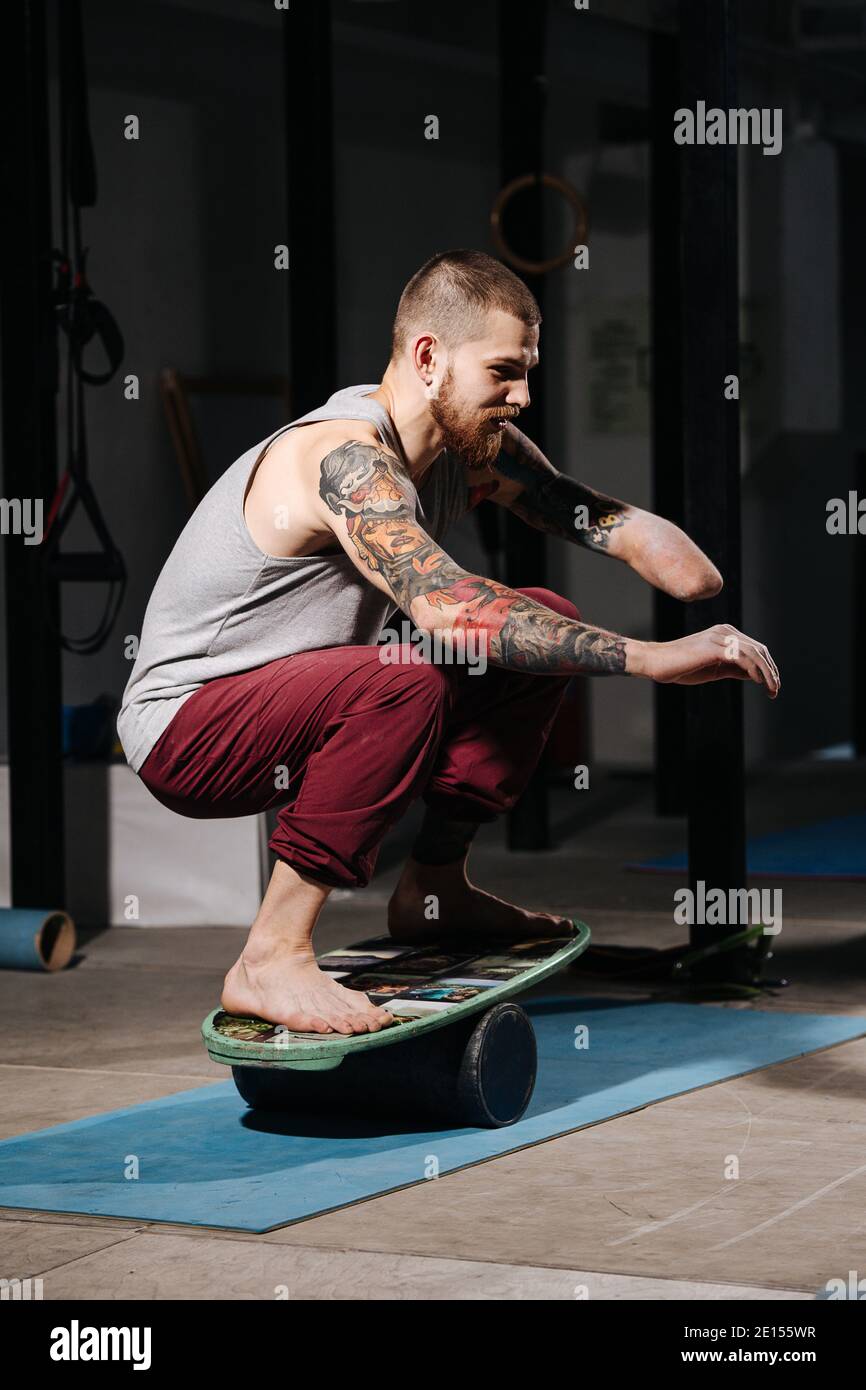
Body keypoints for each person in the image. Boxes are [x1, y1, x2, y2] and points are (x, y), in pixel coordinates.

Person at [117, 249, 780, 1037]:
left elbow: (596, 517)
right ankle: (271, 954)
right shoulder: (347, 458)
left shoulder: (469, 453)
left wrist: (690, 580)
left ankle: (433, 889)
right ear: (429, 357)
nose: (523, 395)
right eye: (504, 371)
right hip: (185, 728)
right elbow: (446, 607)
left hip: (295, 701)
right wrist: (651, 659)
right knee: (409, 677)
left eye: (528, 371)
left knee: (540, 611)